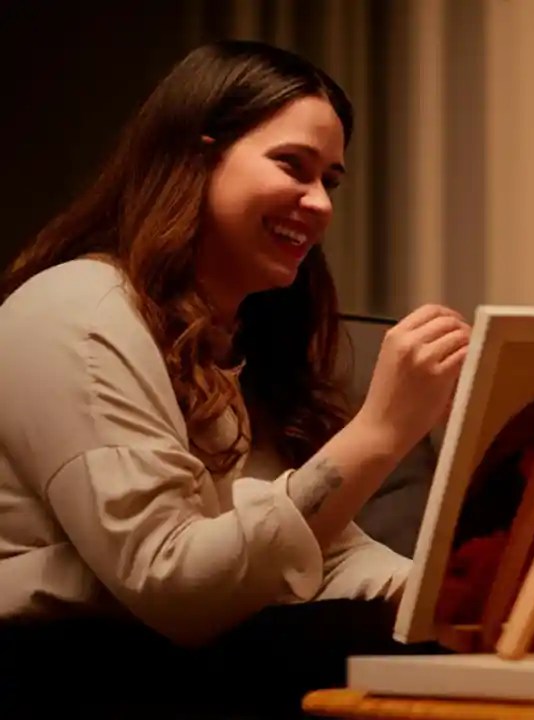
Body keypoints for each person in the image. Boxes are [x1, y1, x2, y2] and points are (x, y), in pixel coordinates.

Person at [0, 40, 469, 713]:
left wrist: (450, 606)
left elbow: (315, 551)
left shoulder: (239, 335)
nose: (319, 203)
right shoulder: (80, 313)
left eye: (330, 181)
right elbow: (175, 587)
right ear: (198, 156)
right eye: (292, 166)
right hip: (69, 670)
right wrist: (380, 431)